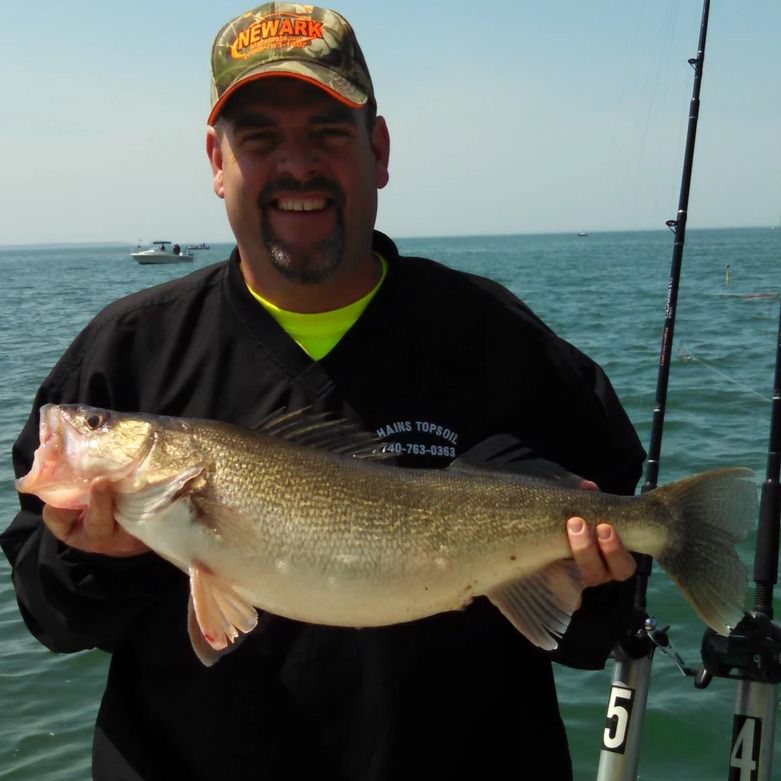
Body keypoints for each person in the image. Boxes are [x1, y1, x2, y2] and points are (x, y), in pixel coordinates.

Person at [1, 4, 645, 779]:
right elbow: (49, 616)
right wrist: (94, 560)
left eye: (329, 134)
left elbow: (593, 623)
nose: (295, 166)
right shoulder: (129, 348)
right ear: (215, 159)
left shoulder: (504, 343)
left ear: (377, 150)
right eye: (259, 138)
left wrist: (596, 589)